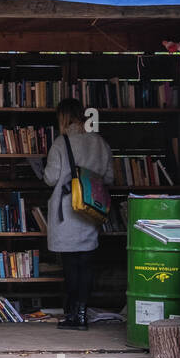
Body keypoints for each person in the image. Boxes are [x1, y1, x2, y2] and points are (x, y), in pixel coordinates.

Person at [41, 97, 113, 329]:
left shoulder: (61, 144)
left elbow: (51, 178)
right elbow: (110, 177)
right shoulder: (99, 142)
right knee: (86, 263)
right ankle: (82, 312)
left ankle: (73, 314)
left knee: (71, 264)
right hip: (91, 209)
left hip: (67, 211)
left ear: (62, 118)